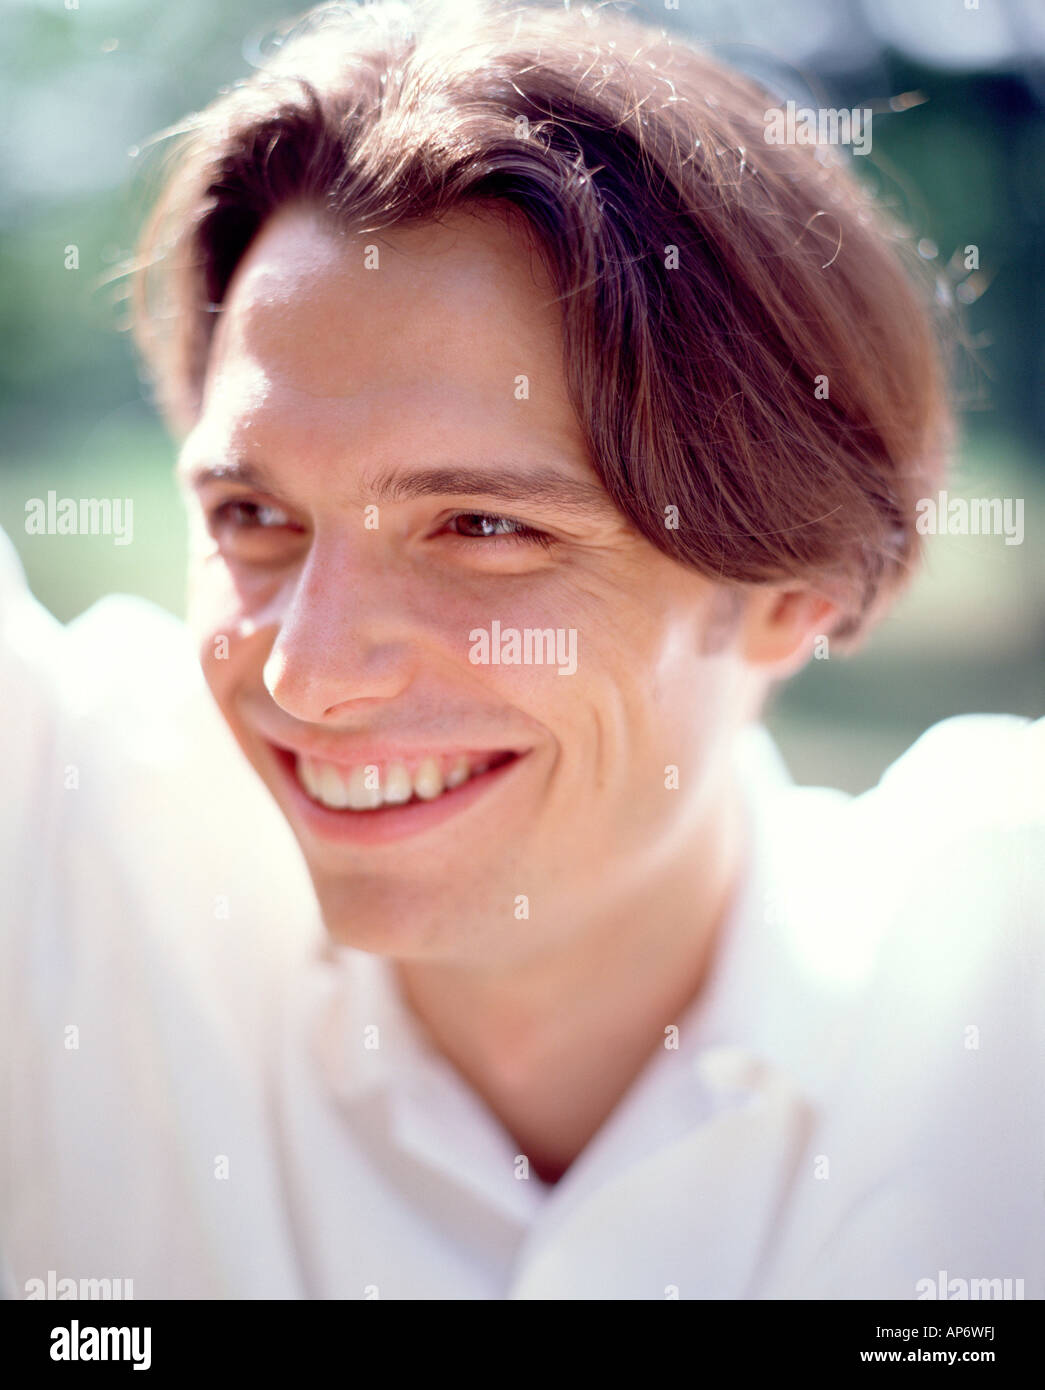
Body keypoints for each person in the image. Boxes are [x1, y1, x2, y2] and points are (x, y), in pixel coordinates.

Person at [2, 0, 1042, 1301]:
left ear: (794, 586)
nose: (306, 676)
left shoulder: (1003, 975)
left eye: (481, 526)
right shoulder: (65, 871)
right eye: (254, 518)